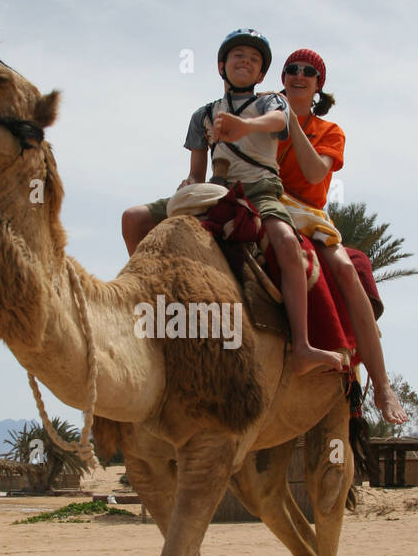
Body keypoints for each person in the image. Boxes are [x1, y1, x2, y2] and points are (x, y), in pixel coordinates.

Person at [123, 29, 344, 376]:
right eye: (238, 55)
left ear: (261, 75)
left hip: (260, 190)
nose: (246, 61)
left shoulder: (273, 104)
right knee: (133, 218)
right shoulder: (203, 115)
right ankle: (145, 305)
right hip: (216, 190)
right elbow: (197, 170)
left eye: (254, 60)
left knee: (287, 243)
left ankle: (302, 345)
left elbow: (278, 121)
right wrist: (189, 184)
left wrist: (245, 126)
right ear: (222, 66)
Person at [276, 48, 407, 424]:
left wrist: (289, 123)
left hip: (308, 215)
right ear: (282, 77)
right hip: (263, 204)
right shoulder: (263, 114)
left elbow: (316, 174)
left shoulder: (329, 132)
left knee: (346, 270)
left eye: (308, 72)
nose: (298, 76)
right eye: (291, 70)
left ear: (318, 86)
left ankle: (382, 385)